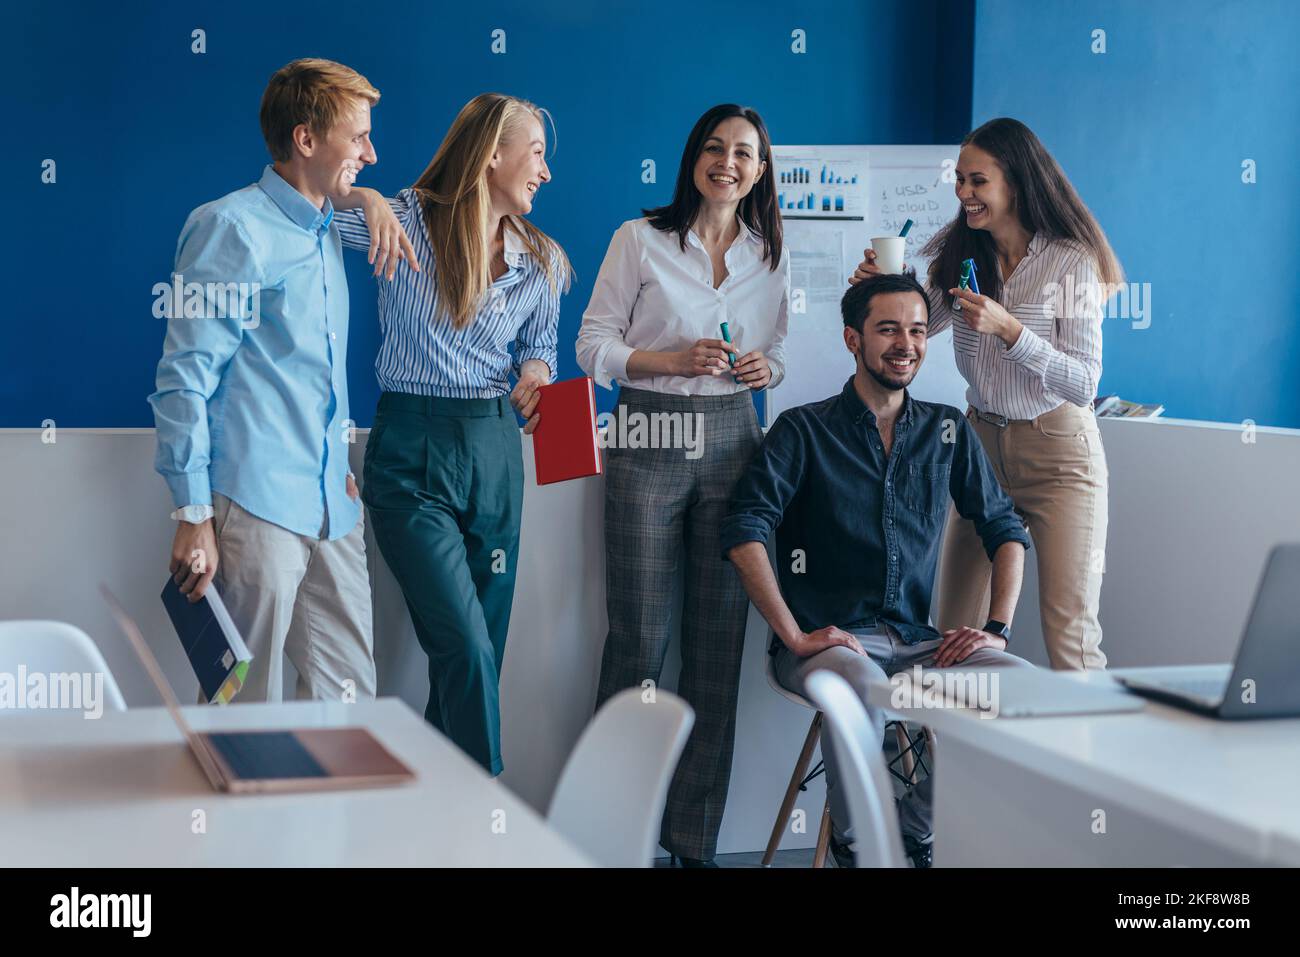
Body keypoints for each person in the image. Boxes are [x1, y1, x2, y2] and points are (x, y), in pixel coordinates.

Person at [722, 273, 1033, 868]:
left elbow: (1006, 529)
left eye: (917, 330)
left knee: (1021, 690)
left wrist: (996, 627)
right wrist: (793, 634)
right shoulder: (802, 429)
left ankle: (914, 825)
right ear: (852, 338)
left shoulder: (947, 429)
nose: (906, 344)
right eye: (887, 329)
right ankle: (859, 842)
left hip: (919, 644)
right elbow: (745, 531)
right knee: (855, 684)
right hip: (826, 644)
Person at [329, 94, 570, 776]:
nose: (545, 173)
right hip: (411, 448)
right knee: (463, 643)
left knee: (480, 650)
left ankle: (437, 819)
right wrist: (366, 198)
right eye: (537, 153)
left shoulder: (542, 259)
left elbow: (541, 347)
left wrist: (535, 373)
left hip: (496, 448)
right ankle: (487, 809)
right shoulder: (402, 219)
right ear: (493, 153)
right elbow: (311, 205)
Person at [576, 104, 789, 867]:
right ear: (693, 158)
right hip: (649, 434)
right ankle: (610, 834)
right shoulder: (640, 240)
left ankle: (691, 842)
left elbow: (780, 347)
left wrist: (770, 368)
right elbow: (592, 346)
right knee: (639, 641)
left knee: (716, 648)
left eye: (743, 153)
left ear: (760, 170)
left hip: (737, 439)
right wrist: (671, 362)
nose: (727, 162)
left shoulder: (771, 253)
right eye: (713, 148)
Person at [149, 58, 383, 703]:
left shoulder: (328, 230)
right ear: (306, 140)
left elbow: (313, 375)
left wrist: (333, 457)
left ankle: (323, 811)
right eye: (358, 136)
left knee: (350, 700)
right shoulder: (230, 227)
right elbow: (184, 379)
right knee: (243, 706)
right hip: (255, 508)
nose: (371, 151)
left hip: (333, 505)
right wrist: (193, 512)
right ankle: (218, 812)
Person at [852, 117, 1123, 670]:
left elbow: (1084, 383)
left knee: (1069, 636)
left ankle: (1079, 755)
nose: (964, 194)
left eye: (978, 181)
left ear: (1017, 183)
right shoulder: (960, 254)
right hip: (979, 446)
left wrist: (1012, 332)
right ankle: (949, 757)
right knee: (952, 629)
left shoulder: (1071, 261)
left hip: (1058, 453)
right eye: (960, 181)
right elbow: (916, 322)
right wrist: (879, 289)